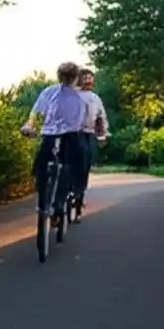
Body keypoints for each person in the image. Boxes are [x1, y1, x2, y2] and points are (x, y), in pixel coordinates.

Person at [21, 62, 88, 227]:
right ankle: (68, 196)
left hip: (50, 135)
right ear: (75, 78)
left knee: (42, 166)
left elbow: (35, 113)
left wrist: (29, 125)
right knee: (75, 165)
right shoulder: (79, 97)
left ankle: (48, 198)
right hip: (68, 136)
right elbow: (84, 122)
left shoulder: (49, 92)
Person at [73, 68, 109, 221]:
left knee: (85, 163)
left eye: (90, 78)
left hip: (88, 133)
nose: (88, 81)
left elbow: (100, 117)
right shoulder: (72, 95)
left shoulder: (95, 98)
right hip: (73, 133)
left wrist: (102, 133)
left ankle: (79, 195)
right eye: (85, 78)